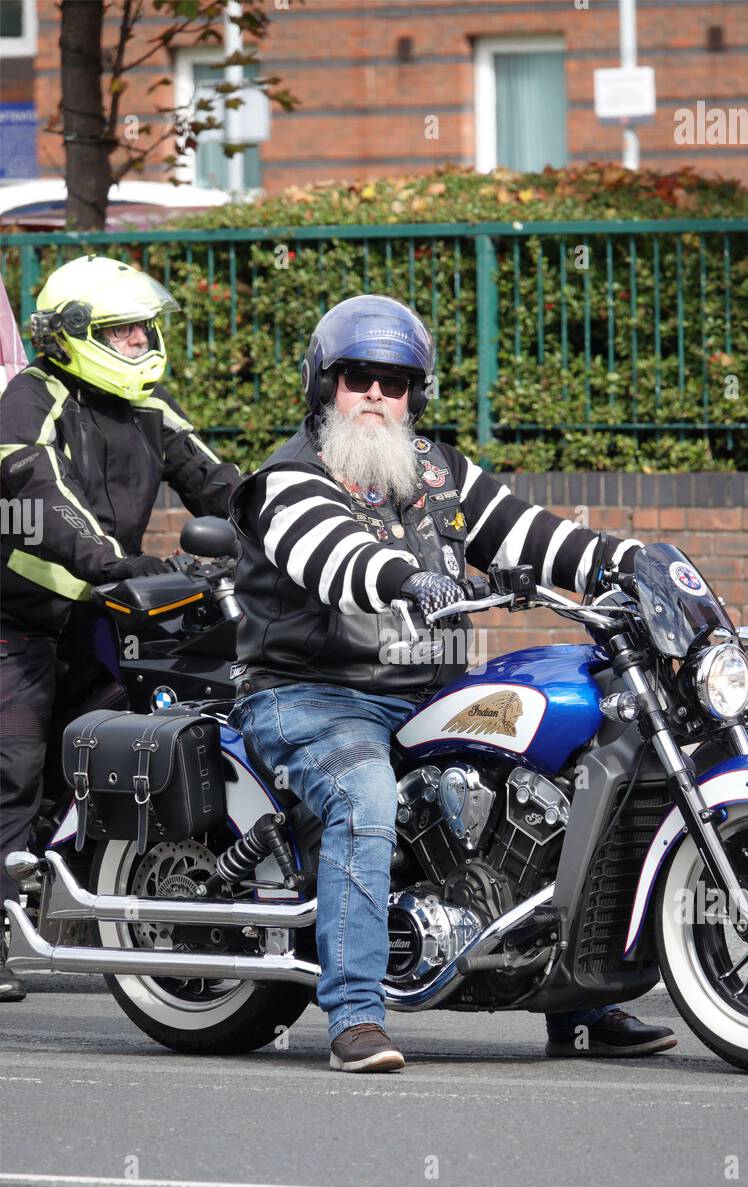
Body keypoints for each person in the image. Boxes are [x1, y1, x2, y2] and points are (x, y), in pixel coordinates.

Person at [228, 293, 676, 1072]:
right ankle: (355, 1016)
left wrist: (623, 560)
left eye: (394, 381)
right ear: (323, 385)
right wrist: (405, 579)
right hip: (309, 694)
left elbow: (532, 535)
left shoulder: (439, 471)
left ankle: (580, 1000)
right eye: (356, 376)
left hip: (420, 694)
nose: (375, 394)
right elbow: (333, 556)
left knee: (565, 771)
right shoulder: (288, 477)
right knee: (365, 795)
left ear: (415, 395)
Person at [0, 255, 240, 1000]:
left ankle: (110, 907)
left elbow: (220, 480)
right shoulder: (27, 396)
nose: (142, 340)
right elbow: (30, 483)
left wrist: (289, 528)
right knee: (15, 769)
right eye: (125, 331)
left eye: (144, 327)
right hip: (18, 620)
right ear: (72, 334)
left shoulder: (148, 407)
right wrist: (111, 560)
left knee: (112, 761)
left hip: (103, 617)